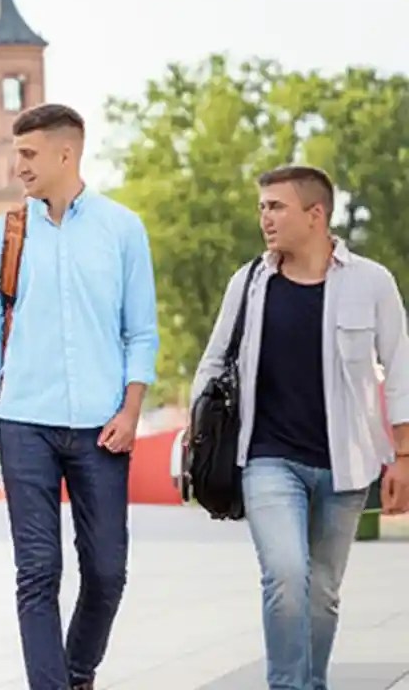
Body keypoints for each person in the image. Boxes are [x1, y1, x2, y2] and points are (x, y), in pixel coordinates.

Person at [0, 103, 160, 690]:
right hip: (24, 423)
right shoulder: (2, 235)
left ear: (65, 153)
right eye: (15, 153)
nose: (17, 165)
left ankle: (76, 671)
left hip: (102, 426)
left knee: (107, 572)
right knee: (38, 571)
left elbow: (141, 331)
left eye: (28, 153)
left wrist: (131, 410)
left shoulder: (122, 229)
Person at [190, 165, 409, 689]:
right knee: (287, 577)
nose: (264, 216)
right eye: (262, 206)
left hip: (346, 465)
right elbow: (213, 362)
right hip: (267, 459)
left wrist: (402, 457)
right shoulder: (248, 283)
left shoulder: (371, 281)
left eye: (276, 206)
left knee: (322, 593)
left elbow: (400, 368)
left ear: (316, 215)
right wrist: (199, 440)